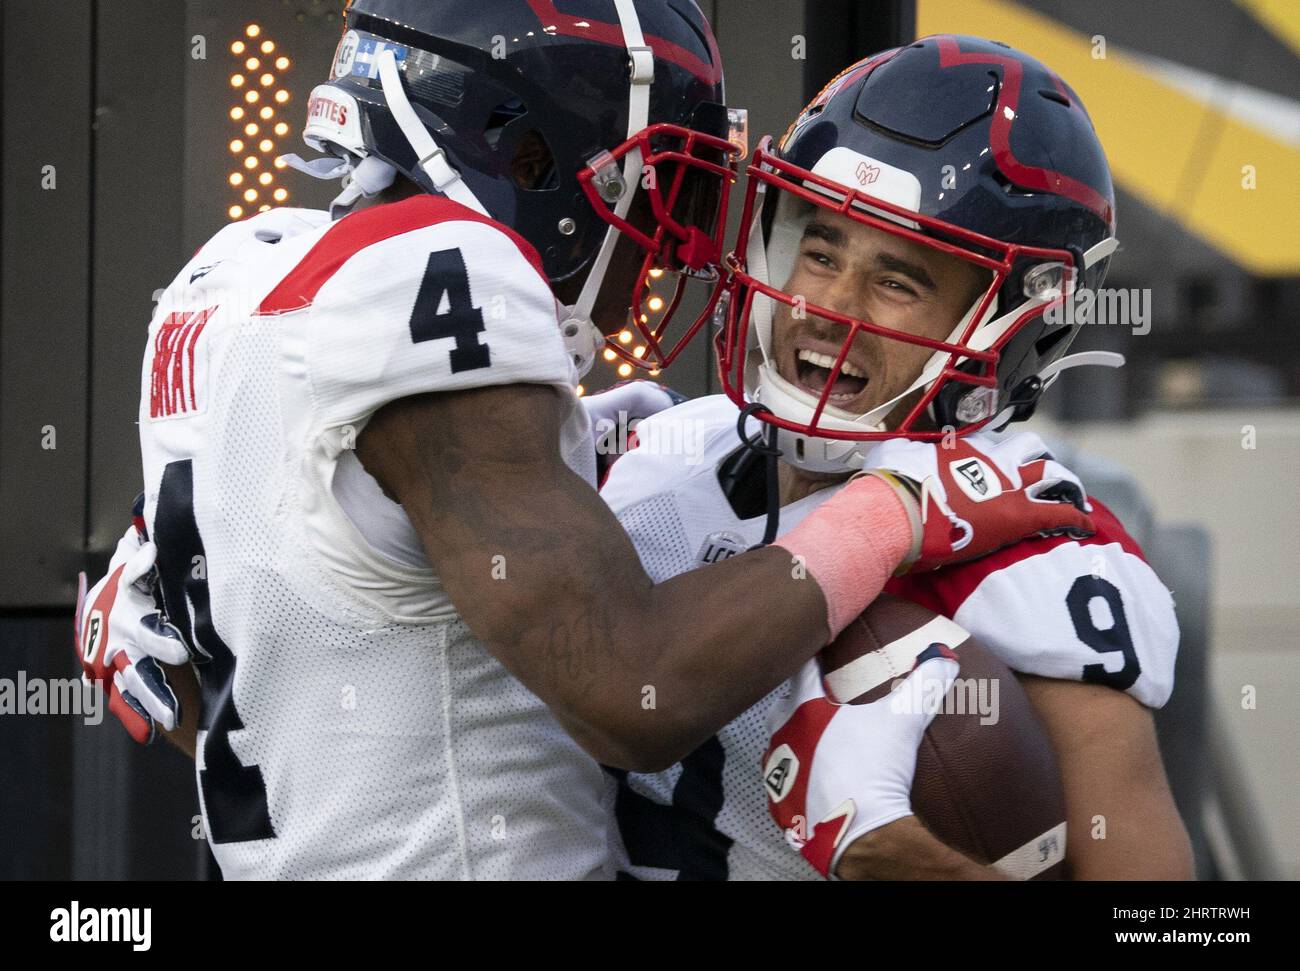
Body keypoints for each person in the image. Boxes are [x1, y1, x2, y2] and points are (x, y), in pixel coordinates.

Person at [73, 9, 1092, 880]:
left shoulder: (237, 272)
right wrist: (903, 508)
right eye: (653, 182)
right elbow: (627, 687)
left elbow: (223, 677)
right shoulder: (441, 271)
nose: (663, 242)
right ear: (527, 153)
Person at [598, 35, 1192, 880]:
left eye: (898, 280)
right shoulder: (670, 453)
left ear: (1016, 330)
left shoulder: (1032, 558)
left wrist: (905, 865)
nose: (828, 308)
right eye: (821, 249)